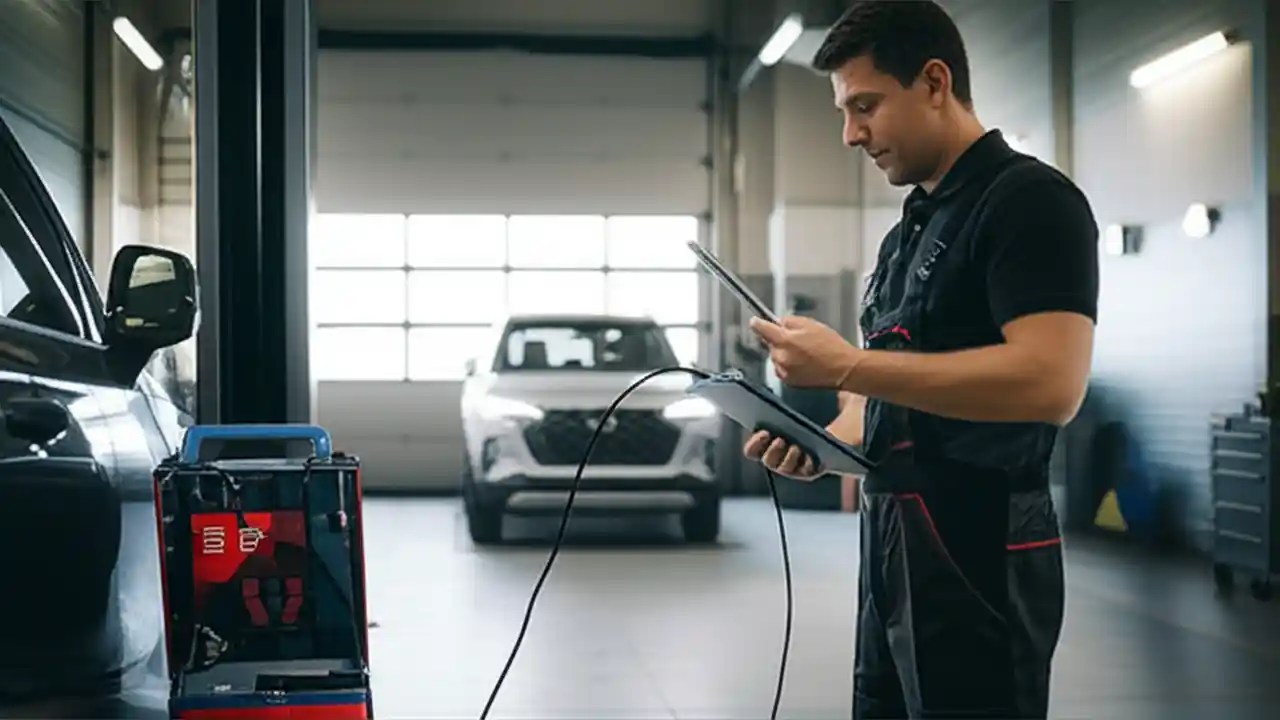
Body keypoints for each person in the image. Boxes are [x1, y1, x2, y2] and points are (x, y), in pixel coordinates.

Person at [742, 2, 1099, 718]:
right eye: (845, 111)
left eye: (865, 106)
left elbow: (1050, 383)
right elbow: (879, 400)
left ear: (934, 81)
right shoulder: (910, 231)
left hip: (983, 548)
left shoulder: (1029, 203)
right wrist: (823, 444)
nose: (850, 135)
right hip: (894, 546)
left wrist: (846, 366)